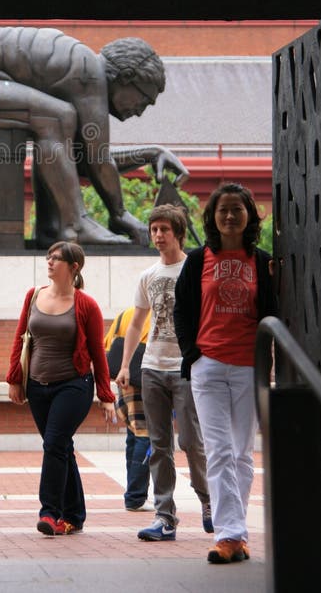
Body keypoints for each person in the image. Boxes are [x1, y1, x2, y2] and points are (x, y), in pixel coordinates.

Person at [0, 26, 188, 248]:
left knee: (54, 123)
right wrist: (119, 214)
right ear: (127, 77)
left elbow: (77, 160)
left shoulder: (81, 69)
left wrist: (151, 154)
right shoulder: (88, 72)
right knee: (56, 118)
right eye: (142, 100)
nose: (138, 112)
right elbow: (97, 159)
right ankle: (74, 225)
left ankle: (52, 228)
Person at [174, 183, 277, 565]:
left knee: (241, 454)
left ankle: (236, 533)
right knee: (218, 450)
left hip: (248, 367)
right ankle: (229, 535)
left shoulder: (261, 261)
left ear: (249, 214)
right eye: (223, 210)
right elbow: (181, 311)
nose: (230, 215)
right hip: (210, 366)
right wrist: (194, 354)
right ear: (213, 217)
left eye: (237, 209)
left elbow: (272, 313)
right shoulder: (199, 260)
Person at [6, 240, 116, 535]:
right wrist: (15, 378)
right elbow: (20, 338)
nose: (50, 262)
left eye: (56, 259)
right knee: (61, 448)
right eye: (48, 257)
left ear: (74, 267)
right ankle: (75, 514)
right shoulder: (33, 296)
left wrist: (106, 395)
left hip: (73, 385)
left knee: (54, 444)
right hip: (37, 387)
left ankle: (50, 512)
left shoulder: (86, 305)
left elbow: (97, 351)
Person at [116, 204, 212, 542]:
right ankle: (165, 516)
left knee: (190, 441)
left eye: (164, 230)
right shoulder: (148, 275)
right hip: (152, 367)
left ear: (179, 233)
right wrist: (126, 364)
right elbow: (137, 323)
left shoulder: (195, 270)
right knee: (158, 445)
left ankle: (208, 501)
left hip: (186, 367)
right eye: (154, 229)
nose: (157, 236)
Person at [104, 306, 153, 512]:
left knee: (133, 435)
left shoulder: (125, 314)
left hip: (123, 381)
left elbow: (106, 345)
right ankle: (135, 497)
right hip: (144, 380)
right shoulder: (155, 315)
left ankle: (133, 494)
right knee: (145, 435)